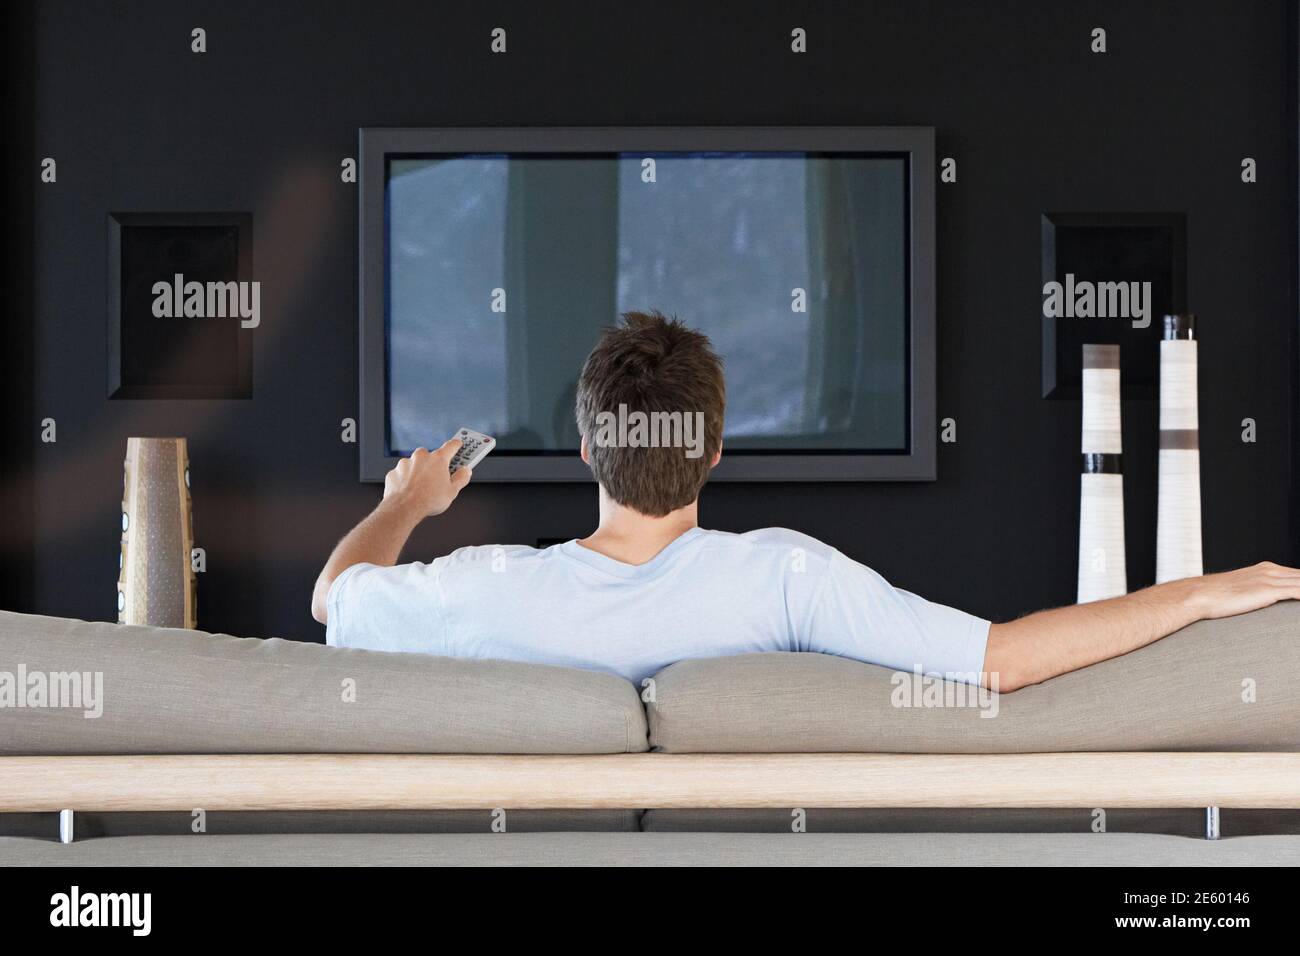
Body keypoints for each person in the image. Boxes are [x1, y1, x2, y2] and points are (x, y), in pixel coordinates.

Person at [312, 311, 1300, 691]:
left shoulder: (488, 587)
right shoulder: (784, 576)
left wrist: (408, 501)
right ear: (714, 452)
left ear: (585, 449)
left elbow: (333, 597)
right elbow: (998, 660)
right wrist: (1197, 592)